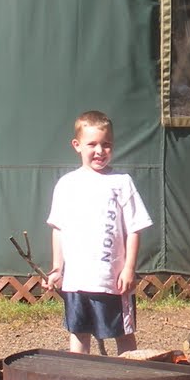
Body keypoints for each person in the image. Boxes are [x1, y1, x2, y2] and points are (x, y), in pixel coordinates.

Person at [46, 110, 152, 355]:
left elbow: (135, 228)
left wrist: (128, 268)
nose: (99, 150)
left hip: (111, 280)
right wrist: (57, 268)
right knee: (79, 333)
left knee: (122, 335)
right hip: (76, 280)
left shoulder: (121, 182)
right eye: (92, 144)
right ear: (77, 145)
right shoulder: (67, 185)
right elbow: (58, 229)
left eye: (106, 145)